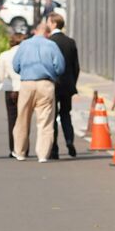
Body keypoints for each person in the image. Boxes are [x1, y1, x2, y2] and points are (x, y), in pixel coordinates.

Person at [10, 21, 64, 163]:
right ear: (47, 33)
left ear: (35, 31)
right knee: (45, 121)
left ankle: (20, 152)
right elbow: (60, 67)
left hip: (27, 83)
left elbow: (15, 65)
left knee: (22, 118)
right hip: (46, 83)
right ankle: (43, 155)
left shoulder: (24, 44)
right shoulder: (52, 45)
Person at [46, 12, 81, 159]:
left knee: (52, 116)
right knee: (66, 114)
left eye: (48, 21)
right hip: (68, 85)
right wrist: (73, 81)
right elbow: (76, 66)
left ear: (53, 23)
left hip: (53, 84)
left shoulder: (49, 42)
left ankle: (54, 149)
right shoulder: (70, 42)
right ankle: (69, 140)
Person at [0, 33, 24, 157]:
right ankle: (23, 148)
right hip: (24, 88)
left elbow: (1, 75)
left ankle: (13, 149)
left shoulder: (4, 55)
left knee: (12, 119)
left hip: (11, 89)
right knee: (24, 119)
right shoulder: (26, 54)